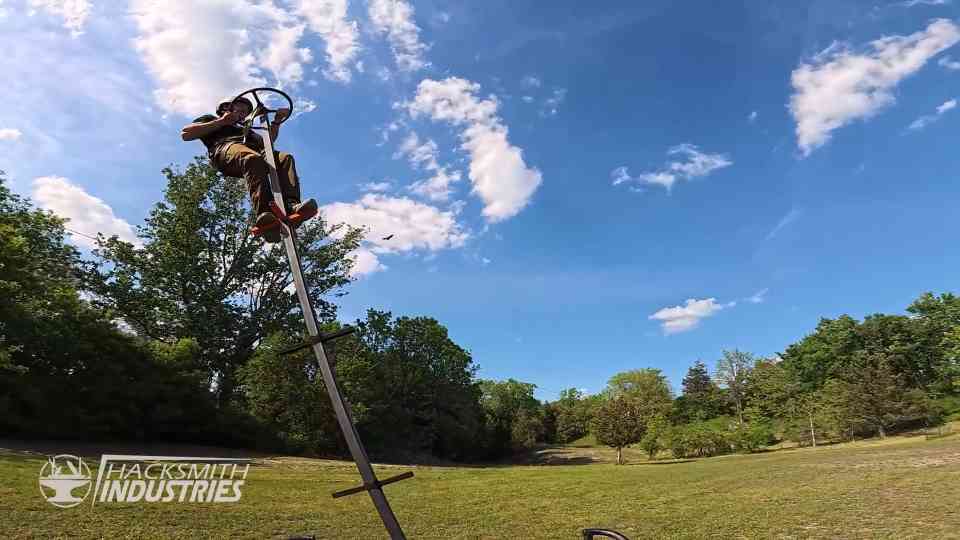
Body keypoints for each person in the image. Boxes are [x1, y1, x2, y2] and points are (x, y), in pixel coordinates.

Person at [181, 96, 317, 241]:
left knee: (284, 158)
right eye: (239, 110)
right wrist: (221, 122)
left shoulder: (246, 130)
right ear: (226, 108)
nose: (242, 114)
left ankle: (291, 204)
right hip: (225, 150)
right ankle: (264, 213)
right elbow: (186, 134)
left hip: (253, 154)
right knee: (251, 158)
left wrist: (277, 121)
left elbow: (268, 143)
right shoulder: (211, 119)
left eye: (245, 112)